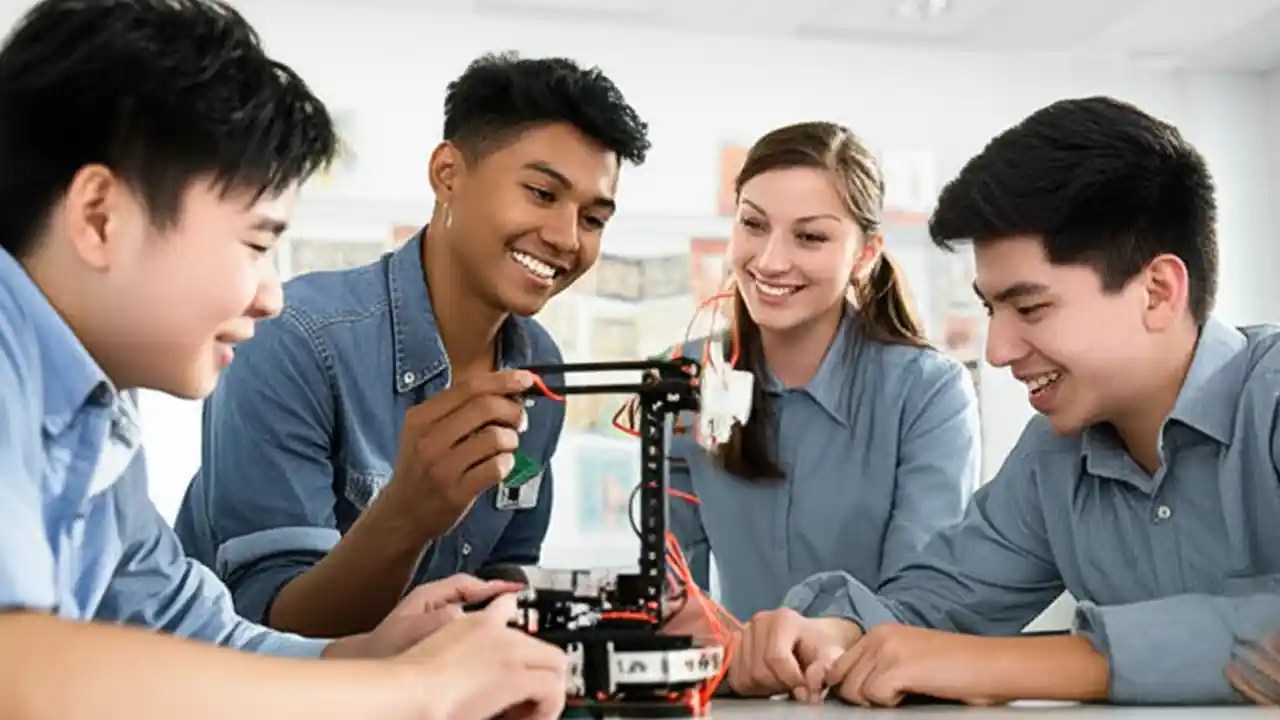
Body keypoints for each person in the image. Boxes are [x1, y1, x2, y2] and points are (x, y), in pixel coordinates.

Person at [0, 1, 571, 718]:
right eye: (255, 243)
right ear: (98, 217)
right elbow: (17, 672)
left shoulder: (95, 418)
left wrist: (376, 654)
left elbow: (195, 634)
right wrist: (416, 691)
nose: (271, 296)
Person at [724, 97, 1280, 706]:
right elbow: (939, 602)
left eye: (1031, 307)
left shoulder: (1270, 395)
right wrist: (834, 632)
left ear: (1157, 291)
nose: (998, 350)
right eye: (992, 309)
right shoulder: (1055, 459)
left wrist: (1014, 665)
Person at [174, 51, 651, 639]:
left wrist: (617, 610)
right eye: (541, 194)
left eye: (594, 219)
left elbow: (506, 573)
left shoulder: (539, 365)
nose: (565, 238)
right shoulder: (295, 339)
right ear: (448, 174)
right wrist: (408, 514)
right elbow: (268, 627)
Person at [659, 121, 981, 626]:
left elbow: (922, 594)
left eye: (809, 237)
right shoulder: (683, 379)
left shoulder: (928, 392)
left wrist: (826, 642)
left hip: (877, 692)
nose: (770, 260)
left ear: (865, 254)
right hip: (738, 693)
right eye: (753, 224)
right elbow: (670, 584)